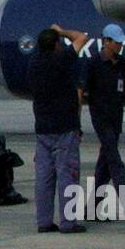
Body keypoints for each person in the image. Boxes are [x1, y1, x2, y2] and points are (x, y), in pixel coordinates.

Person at [80, 24, 125, 224]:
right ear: (106, 41)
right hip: (101, 119)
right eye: (117, 42)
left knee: (104, 165)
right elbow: (81, 90)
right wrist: (75, 117)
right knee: (116, 163)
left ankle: (91, 209)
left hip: (115, 119)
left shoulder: (122, 64)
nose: (120, 46)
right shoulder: (93, 63)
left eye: (121, 43)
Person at [28, 23, 90, 234]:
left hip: (43, 127)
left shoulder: (34, 63)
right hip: (65, 126)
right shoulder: (62, 59)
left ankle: (44, 222)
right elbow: (82, 37)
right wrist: (62, 31)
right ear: (56, 45)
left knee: (44, 178)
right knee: (67, 176)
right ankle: (68, 222)